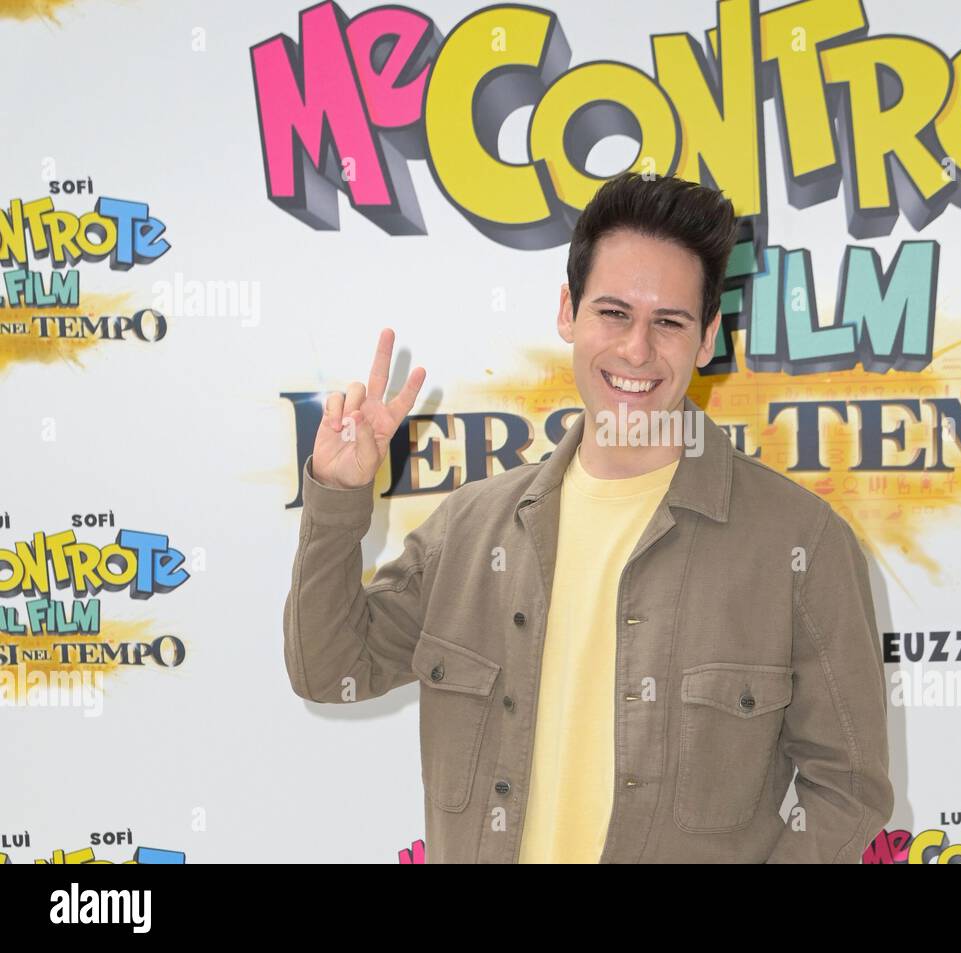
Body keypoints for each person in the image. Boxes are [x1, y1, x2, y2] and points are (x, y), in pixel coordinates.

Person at [284, 172, 893, 863]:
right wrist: (337, 499)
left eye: (669, 322)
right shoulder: (471, 530)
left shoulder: (799, 543)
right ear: (568, 311)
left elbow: (849, 787)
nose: (637, 350)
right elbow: (329, 667)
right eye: (613, 313)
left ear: (705, 340)